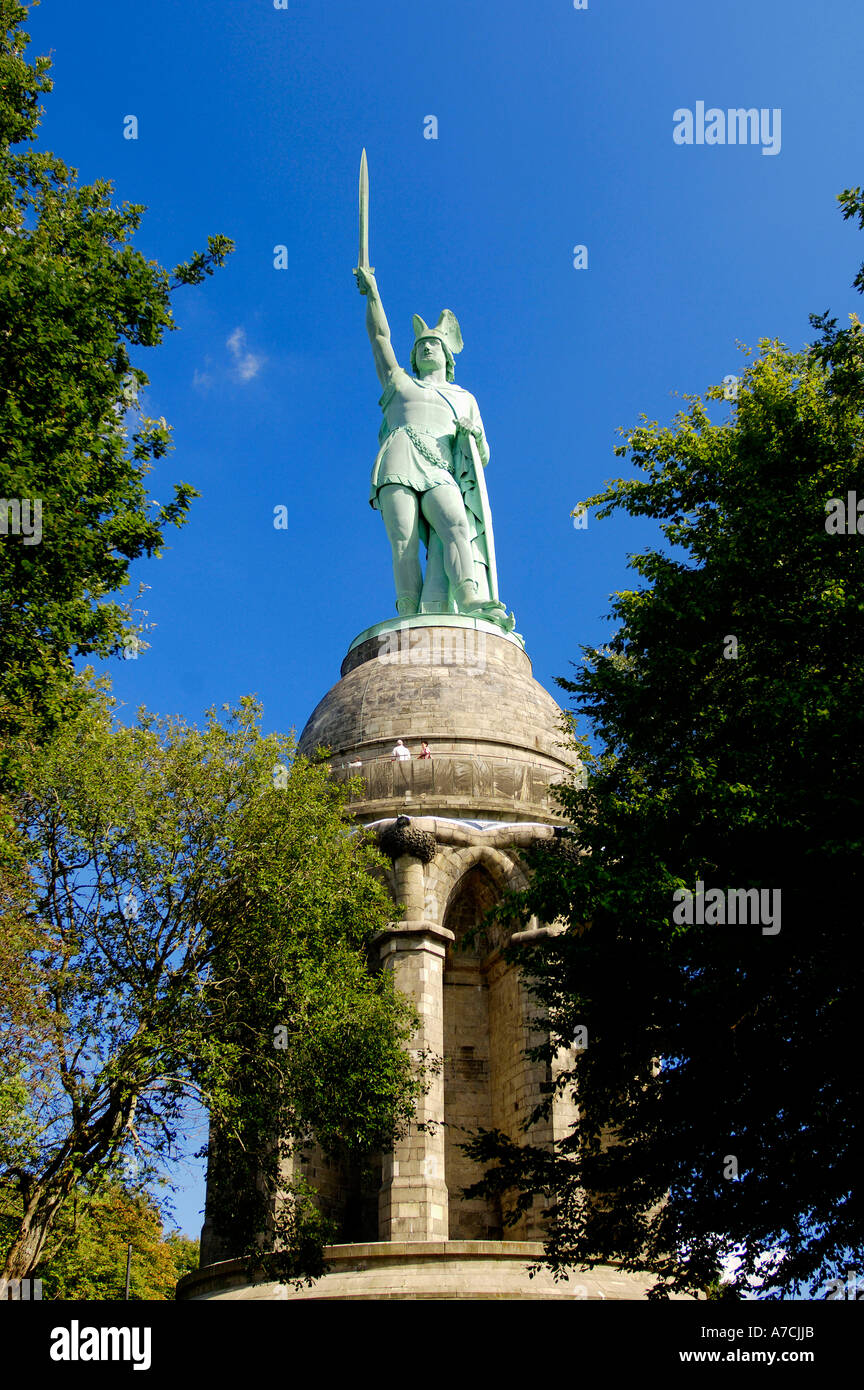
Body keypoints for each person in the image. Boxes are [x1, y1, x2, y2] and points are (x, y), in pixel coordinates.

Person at [355, 265, 511, 624]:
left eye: (434, 345)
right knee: (403, 541)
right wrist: (373, 293)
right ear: (413, 357)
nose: (427, 348)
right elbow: (379, 338)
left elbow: (482, 456)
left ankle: (470, 596)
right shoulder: (400, 384)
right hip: (399, 458)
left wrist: (471, 433)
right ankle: (408, 611)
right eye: (421, 345)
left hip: (441, 469)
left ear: (446, 357)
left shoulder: (464, 397)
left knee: (456, 524)